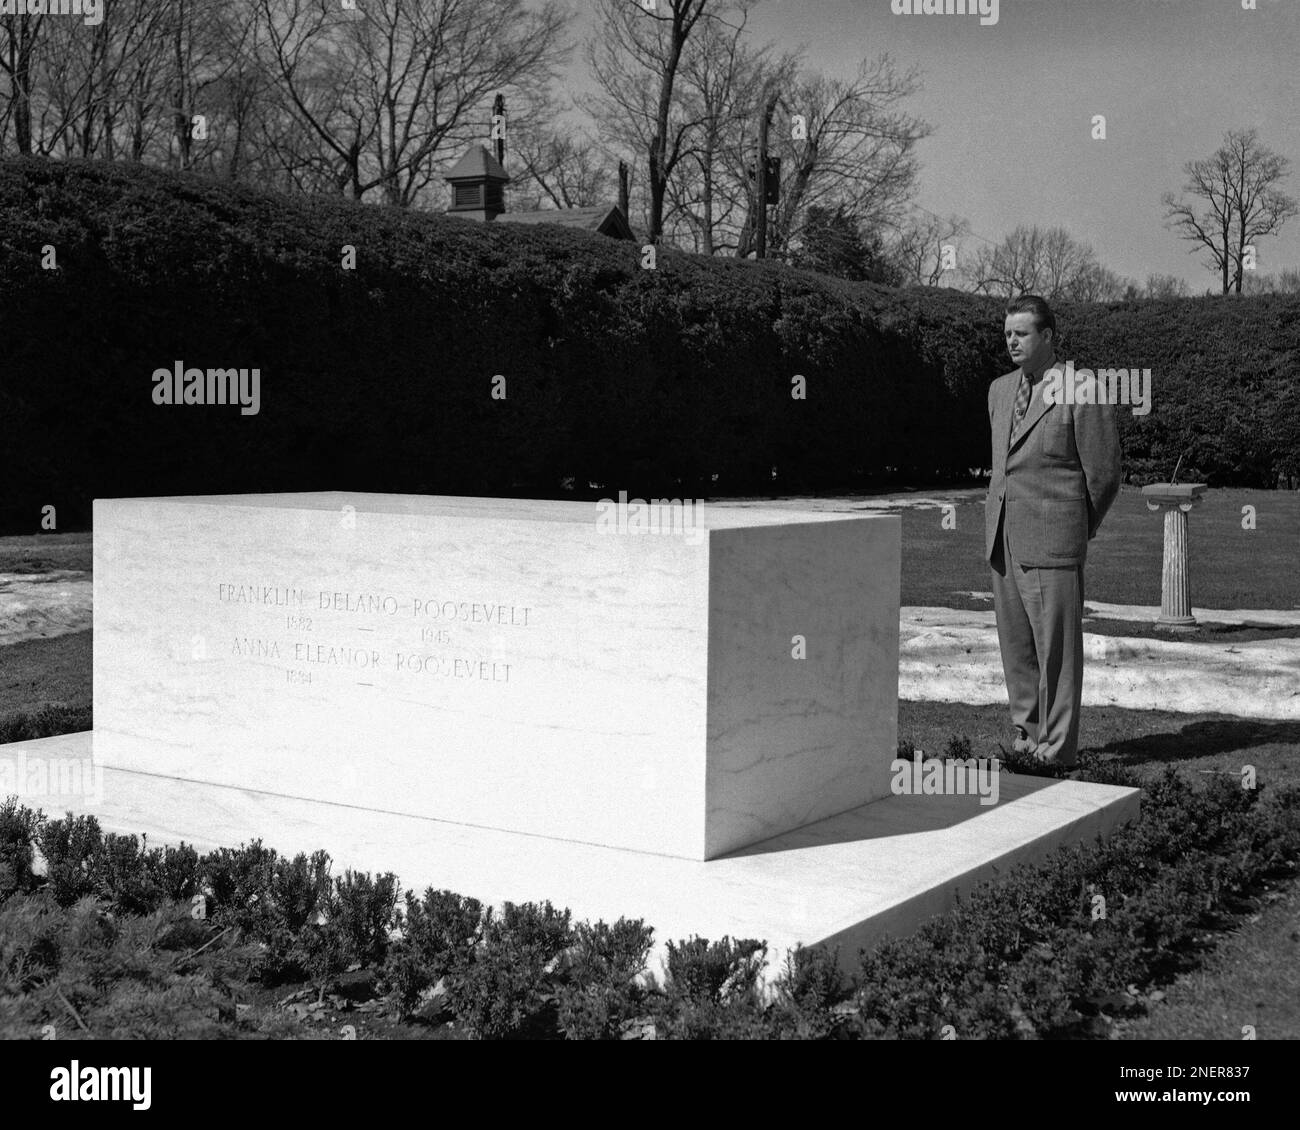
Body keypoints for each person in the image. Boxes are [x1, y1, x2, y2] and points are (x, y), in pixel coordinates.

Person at [985, 295, 1121, 766]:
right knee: (1017, 650)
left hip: (1055, 543)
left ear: (1048, 336)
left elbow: (1103, 475)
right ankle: (1027, 739)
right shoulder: (1000, 390)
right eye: (1007, 334)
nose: (1012, 342)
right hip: (1003, 540)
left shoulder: (1083, 388)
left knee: (1057, 656)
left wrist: (1075, 528)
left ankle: (1058, 750)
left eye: (1021, 334)